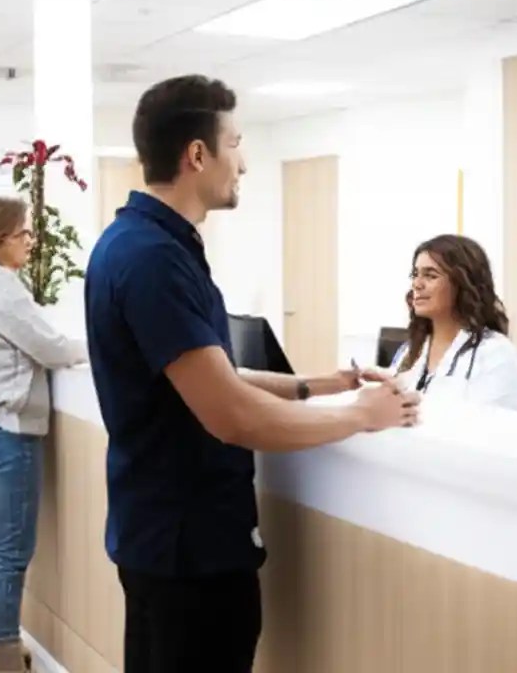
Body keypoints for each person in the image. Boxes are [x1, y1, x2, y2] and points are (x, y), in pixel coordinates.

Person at [84, 74, 420, 673]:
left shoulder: (142, 243)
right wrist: (360, 417)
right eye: (235, 143)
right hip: (188, 547)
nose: (244, 162)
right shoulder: (154, 259)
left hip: (162, 537)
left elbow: (213, 373)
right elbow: (231, 415)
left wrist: (318, 386)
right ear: (197, 155)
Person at [0, 197, 86, 673]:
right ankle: (5, 656)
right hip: (2, 431)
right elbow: (51, 348)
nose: (31, 241)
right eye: (24, 233)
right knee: (9, 552)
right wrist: (102, 344)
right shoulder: (1, 289)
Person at [387, 234, 517, 410]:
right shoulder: (411, 350)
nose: (417, 284)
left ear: (462, 283)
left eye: (430, 276)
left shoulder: (496, 354)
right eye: (415, 274)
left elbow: (493, 429)